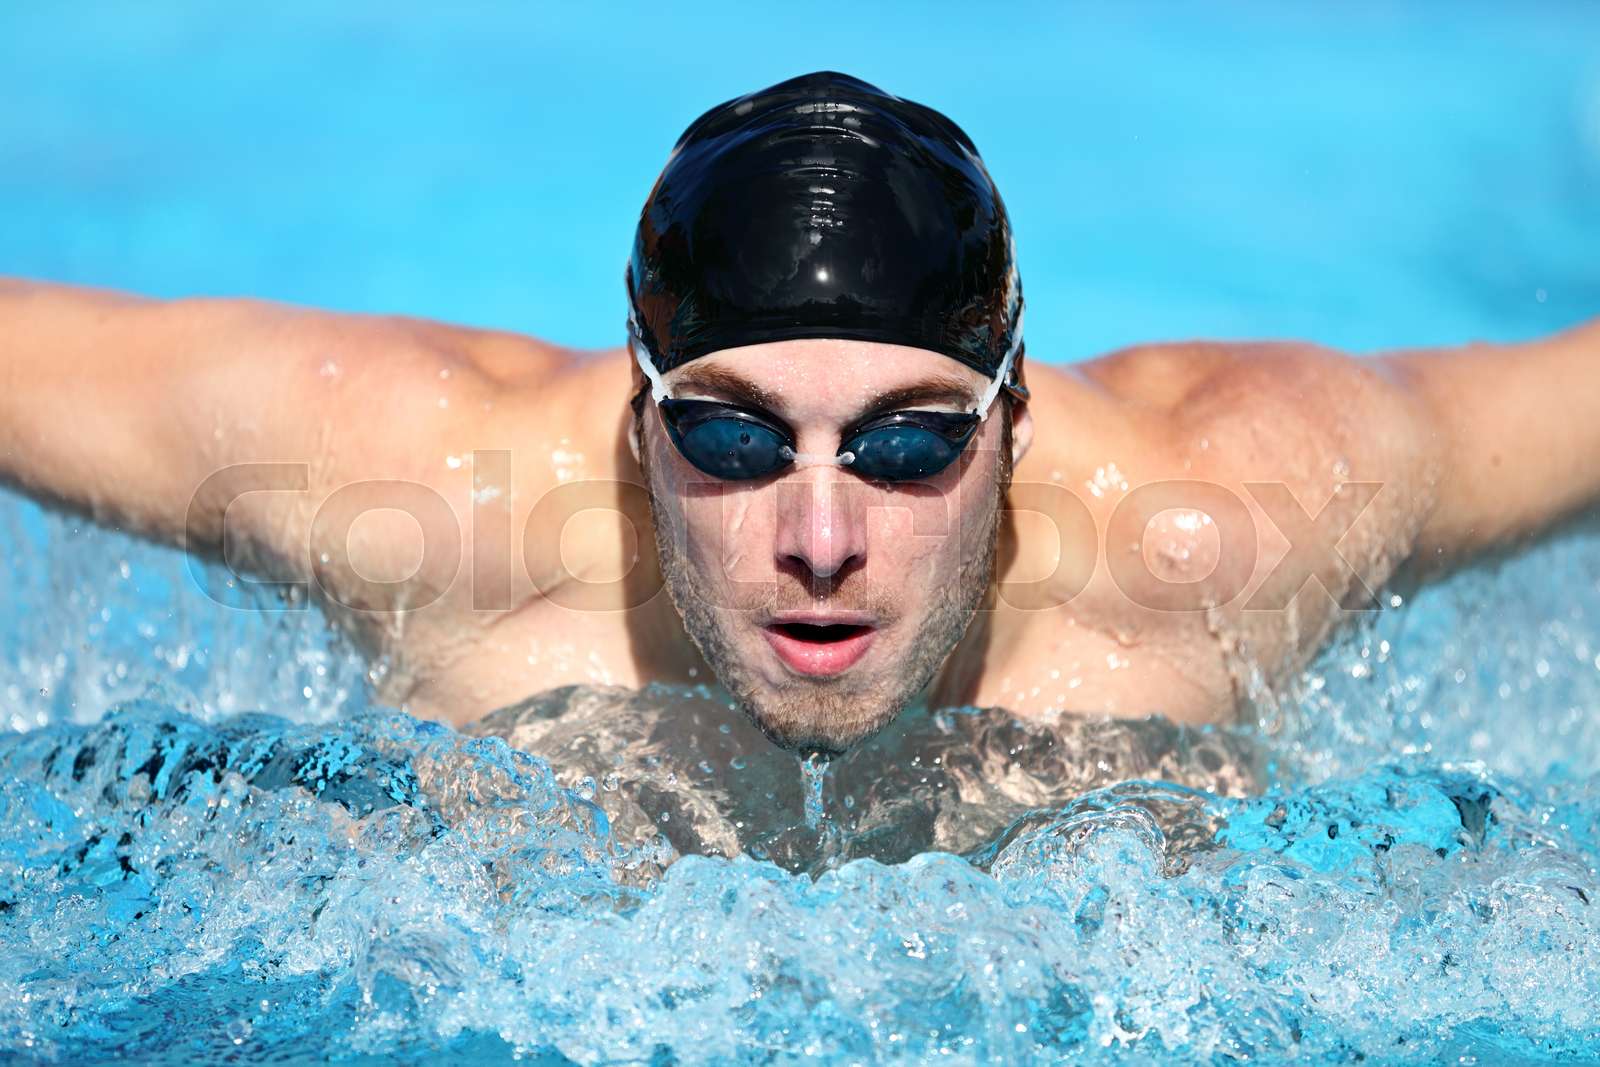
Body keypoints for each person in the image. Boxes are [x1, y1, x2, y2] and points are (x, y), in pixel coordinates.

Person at [2, 72, 1597, 755]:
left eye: (908, 443)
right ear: (635, 425)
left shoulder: (1227, 525)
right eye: (733, 436)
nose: (819, 537)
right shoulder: (423, 490)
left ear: (1015, 423)